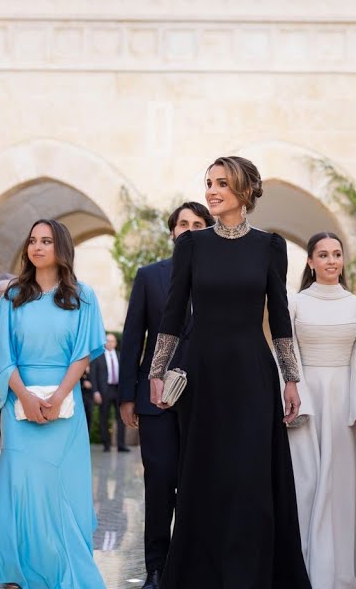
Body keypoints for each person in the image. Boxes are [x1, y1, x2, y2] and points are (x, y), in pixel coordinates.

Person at [147, 156, 312, 589]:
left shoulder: (270, 246)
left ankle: (250, 575)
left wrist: (291, 378)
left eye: (222, 183)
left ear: (244, 191)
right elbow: (172, 312)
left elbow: (279, 317)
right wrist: (157, 371)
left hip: (252, 375)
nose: (212, 191)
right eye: (208, 183)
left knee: (250, 481)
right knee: (202, 479)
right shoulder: (192, 245)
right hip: (201, 376)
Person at [0, 219, 107, 589]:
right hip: (20, 406)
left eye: (46, 241)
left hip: (64, 407)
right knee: (20, 485)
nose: (37, 247)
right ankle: (17, 571)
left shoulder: (83, 296)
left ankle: (61, 569)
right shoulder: (13, 296)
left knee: (61, 487)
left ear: (61, 248)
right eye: (32, 240)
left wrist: (57, 396)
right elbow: (3, 354)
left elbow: (82, 354)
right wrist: (24, 396)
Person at [286, 232, 356, 589]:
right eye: (323, 254)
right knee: (307, 486)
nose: (332, 261)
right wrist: (294, 398)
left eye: (337, 254)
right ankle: (305, 571)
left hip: (347, 405)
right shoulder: (294, 303)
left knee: (344, 489)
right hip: (307, 404)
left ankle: (344, 571)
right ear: (310, 261)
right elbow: (287, 358)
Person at [119, 200, 215, 589]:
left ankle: (190, 566)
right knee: (159, 483)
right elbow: (131, 338)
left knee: (198, 483)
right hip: (155, 398)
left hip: (206, 399)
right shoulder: (149, 276)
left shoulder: (218, 278)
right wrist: (128, 395)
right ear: (172, 231)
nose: (189, 229)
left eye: (197, 223)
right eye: (182, 224)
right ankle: (156, 569)